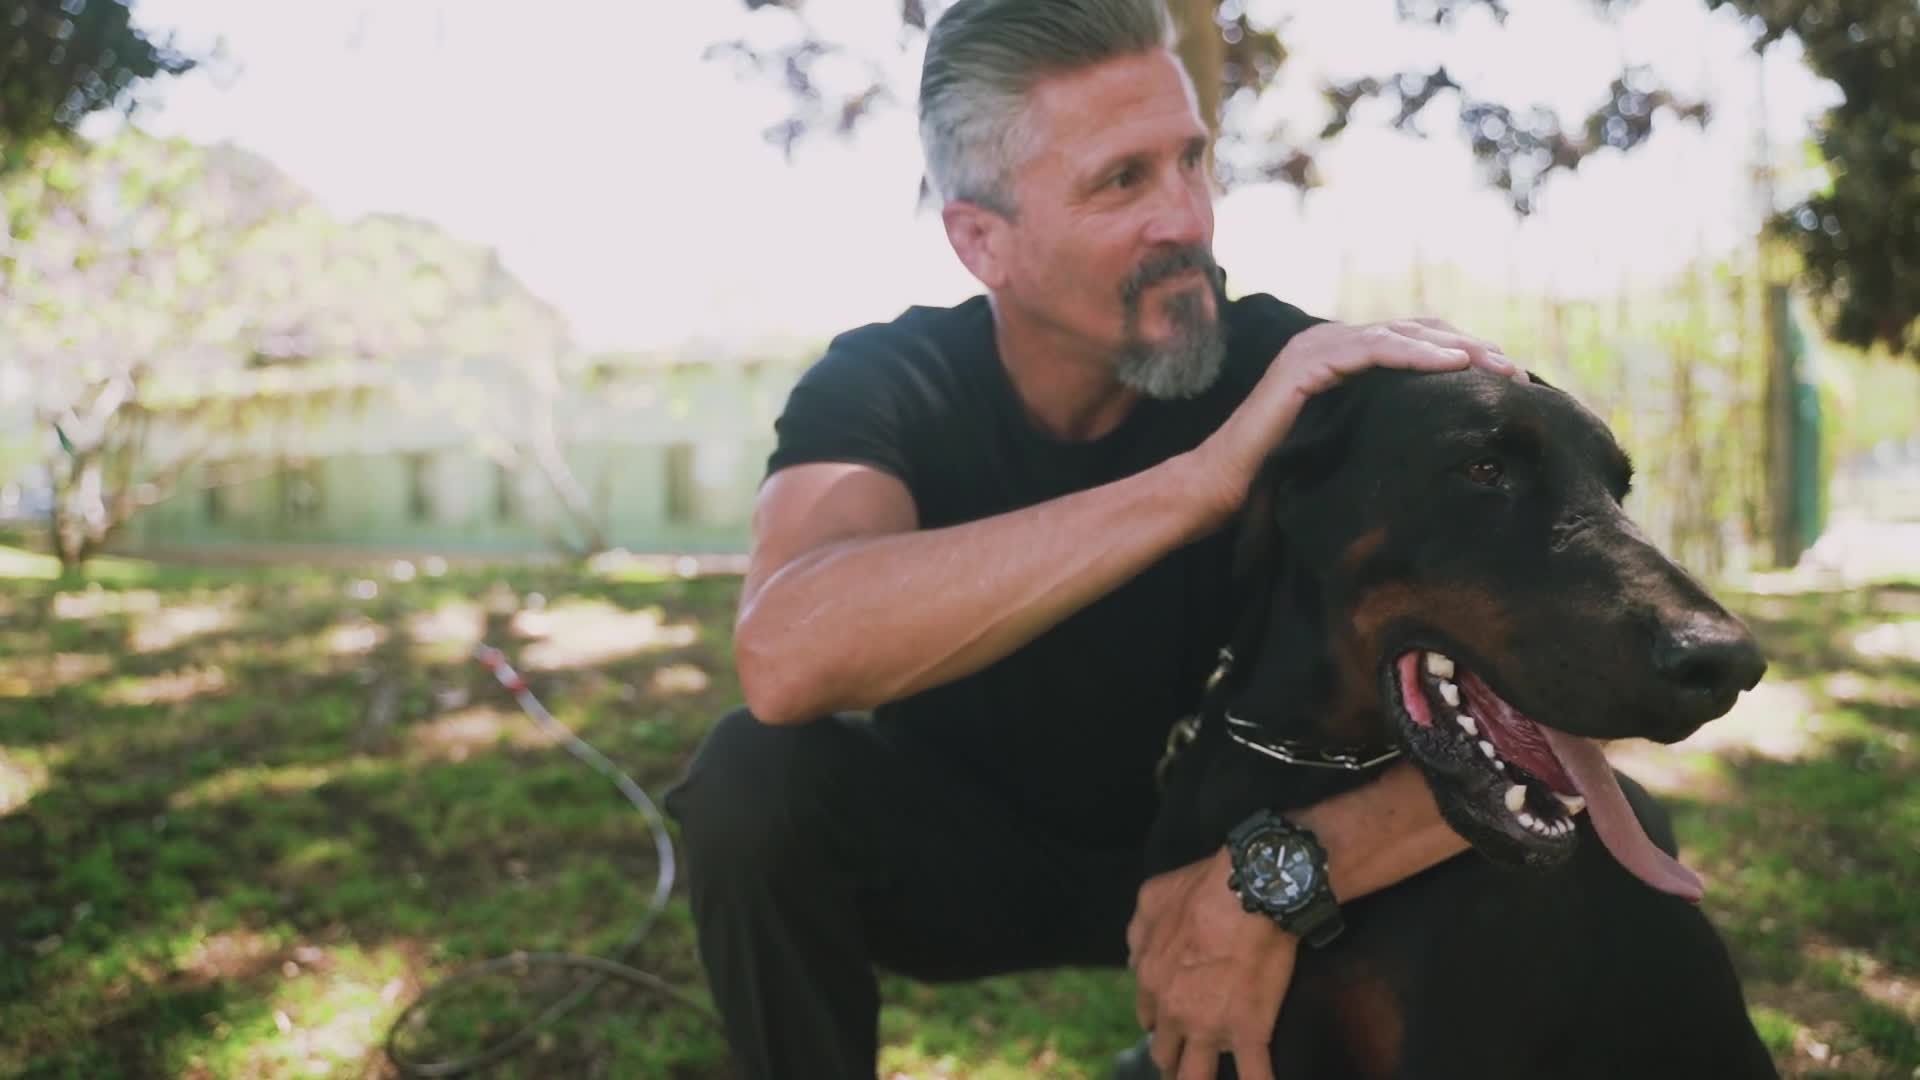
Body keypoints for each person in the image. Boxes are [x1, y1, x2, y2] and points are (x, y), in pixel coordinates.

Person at [662, 1, 1522, 1076]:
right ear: (984, 241)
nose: (1188, 219)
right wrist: (1197, 484)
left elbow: (1554, 687)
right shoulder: (891, 382)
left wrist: (1288, 866)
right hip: (972, 861)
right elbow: (784, 654)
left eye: (1192, 160)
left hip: (1234, 849)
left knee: (1586, 843)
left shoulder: (1293, 372)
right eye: (1123, 181)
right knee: (755, 782)